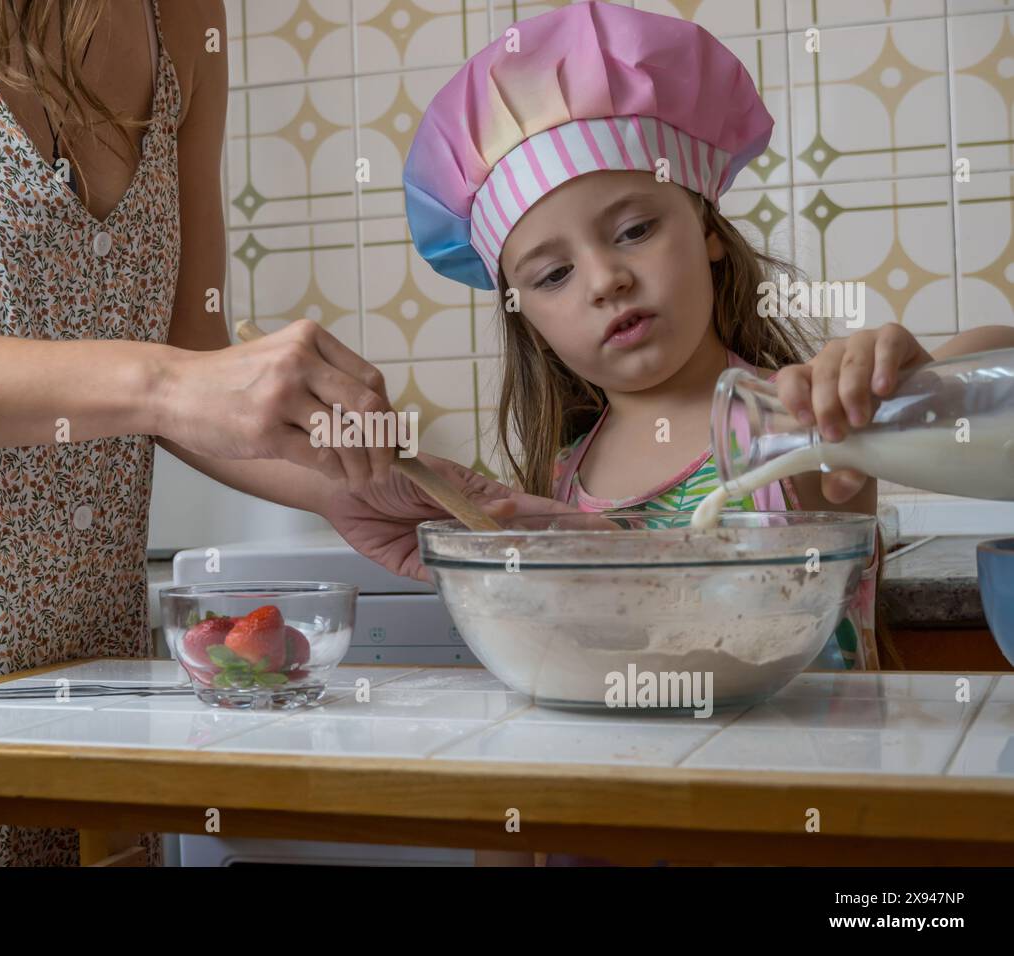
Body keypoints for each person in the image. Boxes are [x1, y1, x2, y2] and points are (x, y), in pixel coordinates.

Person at [0, 0, 576, 866]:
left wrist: (372, 484)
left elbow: (188, 356)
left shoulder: (187, 17)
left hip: (75, 673)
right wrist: (168, 383)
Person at [403, 0, 1014, 682]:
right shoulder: (560, 484)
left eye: (635, 231)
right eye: (554, 274)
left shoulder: (800, 423)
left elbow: (997, 369)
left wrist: (909, 380)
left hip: (810, 771)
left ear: (708, 231)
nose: (606, 280)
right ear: (529, 320)